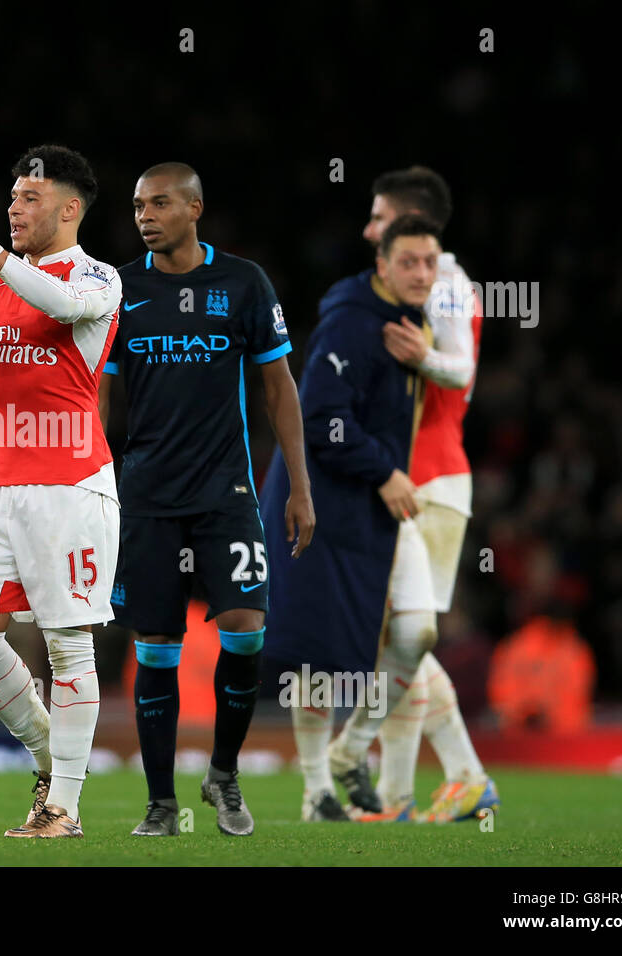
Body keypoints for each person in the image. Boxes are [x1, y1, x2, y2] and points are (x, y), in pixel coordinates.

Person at [98, 163, 314, 836]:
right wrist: (94, 479)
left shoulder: (243, 283)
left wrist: (299, 487)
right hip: (148, 494)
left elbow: (279, 387)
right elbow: (102, 396)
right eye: (138, 205)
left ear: (195, 208)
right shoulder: (119, 290)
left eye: (160, 203)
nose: (145, 216)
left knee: (247, 628)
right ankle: (161, 803)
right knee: (156, 645)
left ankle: (223, 771)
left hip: (227, 491)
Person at [0, 145, 121, 838]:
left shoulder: (98, 277)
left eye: (29, 197)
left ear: (69, 207)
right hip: (1, 487)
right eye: (11, 196)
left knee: (67, 643)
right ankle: (56, 756)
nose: (15, 207)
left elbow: (52, 299)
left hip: (73, 485)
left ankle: (65, 809)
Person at [261, 214, 442, 821]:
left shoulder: (413, 323)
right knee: (316, 652)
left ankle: (351, 748)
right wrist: (386, 472)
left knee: (416, 633)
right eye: (409, 262)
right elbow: (318, 418)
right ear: (383, 265)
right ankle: (316, 791)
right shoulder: (349, 323)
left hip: (370, 502)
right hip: (318, 499)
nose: (421, 273)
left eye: (430, 263)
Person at [349, 166, 498, 824]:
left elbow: (461, 368)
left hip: (432, 481)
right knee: (400, 643)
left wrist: (421, 360)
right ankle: (408, 792)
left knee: (404, 639)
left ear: (412, 219)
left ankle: (449, 778)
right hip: (421, 480)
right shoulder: (416, 283)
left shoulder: (444, 283)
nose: (367, 228)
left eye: (378, 216)